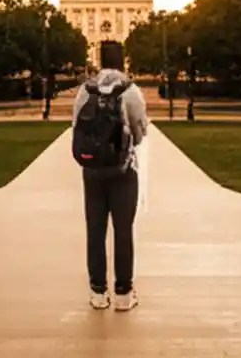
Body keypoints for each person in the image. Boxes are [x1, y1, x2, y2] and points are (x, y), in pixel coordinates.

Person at [72, 52, 148, 311]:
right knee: (123, 230)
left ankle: (98, 293)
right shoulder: (131, 90)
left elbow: (76, 127)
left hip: (92, 170)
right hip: (123, 170)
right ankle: (124, 294)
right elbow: (140, 131)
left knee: (95, 231)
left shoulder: (86, 90)